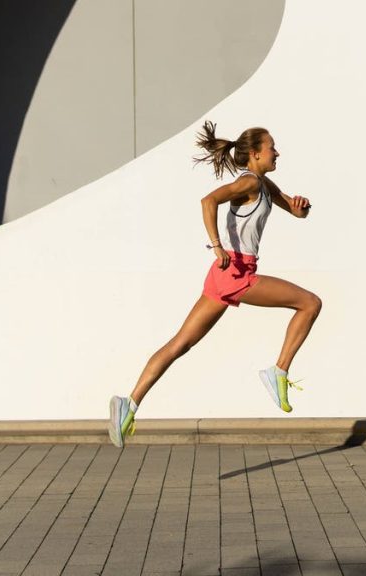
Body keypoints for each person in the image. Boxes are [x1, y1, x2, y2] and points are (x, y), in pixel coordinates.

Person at [108, 121, 321, 447]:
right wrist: (216, 245)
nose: (277, 152)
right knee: (310, 303)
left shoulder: (265, 185)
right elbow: (208, 201)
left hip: (224, 276)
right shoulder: (248, 182)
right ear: (255, 154)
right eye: (272, 147)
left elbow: (295, 211)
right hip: (237, 272)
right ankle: (278, 372)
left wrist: (301, 207)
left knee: (181, 343)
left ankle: (130, 404)